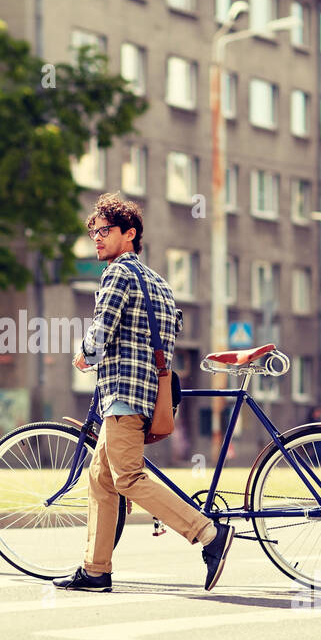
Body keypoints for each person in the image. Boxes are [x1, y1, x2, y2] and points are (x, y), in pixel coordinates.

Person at [59, 193, 234, 593]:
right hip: (149, 393)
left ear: (130, 234)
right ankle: (95, 570)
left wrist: (85, 354)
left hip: (122, 391)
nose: (97, 239)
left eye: (105, 231)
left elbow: (103, 329)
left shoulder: (118, 274)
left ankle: (209, 534)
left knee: (128, 477)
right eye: (94, 232)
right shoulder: (158, 282)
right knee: (102, 477)